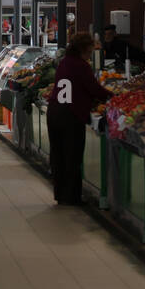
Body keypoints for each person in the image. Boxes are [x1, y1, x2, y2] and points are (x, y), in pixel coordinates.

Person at [46, 33, 113, 206]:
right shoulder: (81, 66)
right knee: (72, 156)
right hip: (70, 115)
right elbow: (93, 89)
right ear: (83, 49)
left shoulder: (64, 62)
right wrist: (113, 96)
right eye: (90, 50)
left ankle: (60, 194)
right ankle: (72, 197)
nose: (91, 53)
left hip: (55, 112)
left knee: (58, 155)